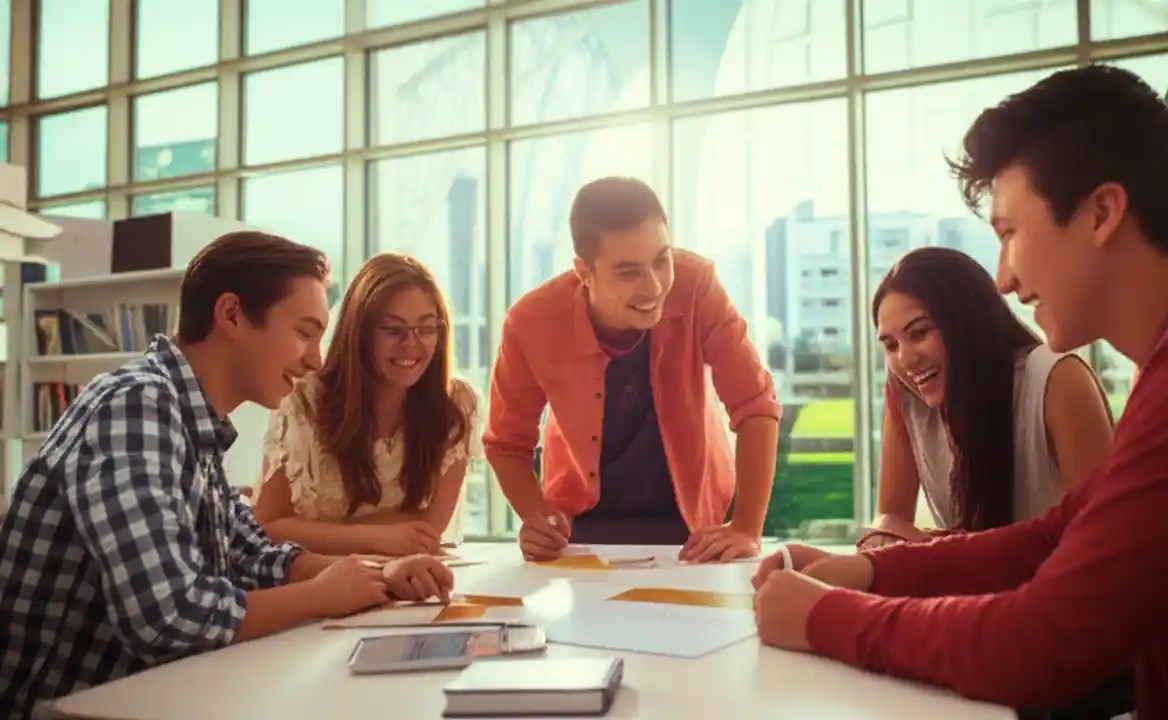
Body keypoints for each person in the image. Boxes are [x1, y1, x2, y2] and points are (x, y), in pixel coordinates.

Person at [751, 65, 1168, 719]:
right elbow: (1056, 534)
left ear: (1101, 213)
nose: (1003, 278)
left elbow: (1042, 642)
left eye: (1009, 233)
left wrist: (827, 617)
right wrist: (869, 572)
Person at [0, 232, 454, 720]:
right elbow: (168, 616)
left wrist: (375, 574)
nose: (316, 360)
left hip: (150, 696)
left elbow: (251, 554)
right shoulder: (136, 406)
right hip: (63, 707)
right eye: (304, 332)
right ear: (232, 315)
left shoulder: (193, 422)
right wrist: (318, 597)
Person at [484, 176, 781, 563]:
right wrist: (537, 519)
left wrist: (746, 528)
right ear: (584, 273)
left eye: (661, 260)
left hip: (696, 524)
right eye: (628, 272)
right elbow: (507, 443)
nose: (654, 287)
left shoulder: (698, 286)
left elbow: (756, 405)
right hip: (582, 527)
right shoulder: (529, 322)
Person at [863, 245, 1114, 550]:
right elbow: (890, 517)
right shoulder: (906, 396)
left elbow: (1103, 537)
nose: (905, 359)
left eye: (919, 333)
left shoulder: (1058, 380)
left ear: (966, 322)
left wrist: (934, 546)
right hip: (975, 588)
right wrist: (886, 533)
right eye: (890, 346)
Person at [253, 253, 480, 554]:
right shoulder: (304, 399)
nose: (411, 344)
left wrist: (326, 534)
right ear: (358, 332)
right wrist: (381, 538)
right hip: (316, 582)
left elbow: (425, 536)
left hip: (407, 583)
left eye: (426, 328)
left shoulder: (457, 404)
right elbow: (269, 526)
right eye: (392, 329)